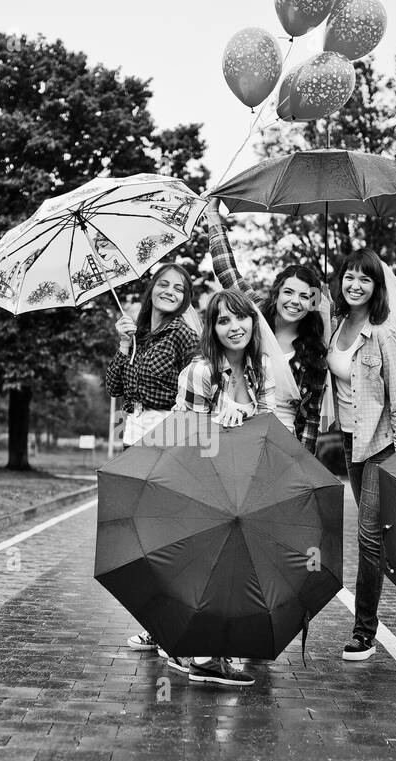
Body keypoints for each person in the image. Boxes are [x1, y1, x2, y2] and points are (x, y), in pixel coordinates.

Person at [322, 249, 396, 663]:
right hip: (352, 443)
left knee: (369, 537)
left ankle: (364, 630)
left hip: (383, 445)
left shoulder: (383, 332)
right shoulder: (334, 326)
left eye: (365, 279)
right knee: (386, 538)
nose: (355, 285)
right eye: (349, 276)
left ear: (377, 287)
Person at [171, 288, 276, 687]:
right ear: (212, 330)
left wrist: (245, 425)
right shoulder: (200, 372)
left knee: (236, 564)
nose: (235, 327)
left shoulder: (259, 369)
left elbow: (267, 428)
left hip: (244, 477)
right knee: (208, 562)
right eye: (223, 320)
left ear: (253, 320)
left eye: (241, 317)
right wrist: (218, 417)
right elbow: (190, 439)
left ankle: (210, 648)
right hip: (202, 478)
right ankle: (203, 653)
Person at [104, 262, 202, 655]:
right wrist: (124, 346)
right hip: (134, 432)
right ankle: (155, 623)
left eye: (179, 289)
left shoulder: (182, 333)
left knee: (166, 532)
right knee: (142, 535)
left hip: (169, 431)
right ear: (152, 289)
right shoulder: (138, 333)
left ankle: (174, 623)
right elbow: (114, 386)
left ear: (185, 299)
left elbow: (203, 375)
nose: (170, 292)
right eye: (164, 284)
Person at [204, 199, 329, 452]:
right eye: (289, 292)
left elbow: (311, 419)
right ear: (277, 292)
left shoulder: (314, 349)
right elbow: (226, 270)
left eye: (305, 296)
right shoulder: (254, 315)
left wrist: (304, 464)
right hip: (241, 425)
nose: (295, 301)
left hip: (285, 440)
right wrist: (213, 217)